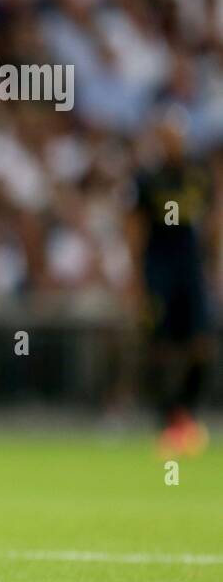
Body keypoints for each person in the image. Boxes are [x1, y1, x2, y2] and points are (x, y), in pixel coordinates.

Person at [129, 108, 212, 457]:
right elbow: (135, 228)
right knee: (160, 346)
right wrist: (136, 279)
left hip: (190, 268)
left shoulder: (197, 176)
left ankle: (186, 415)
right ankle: (167, 422)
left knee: (200, 344)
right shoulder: (148, 180)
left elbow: (211, 220)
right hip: (159, 268)